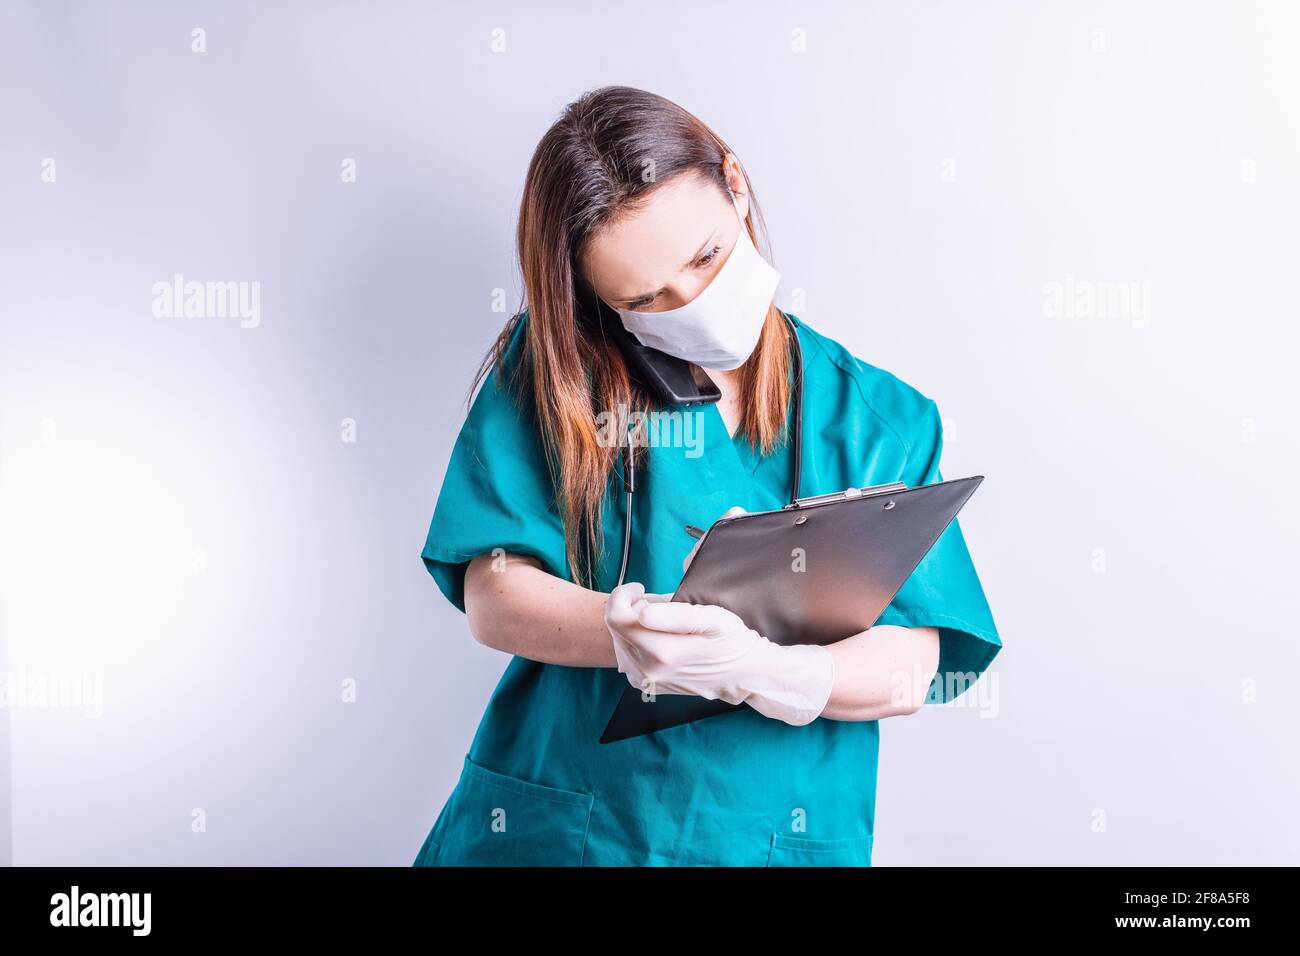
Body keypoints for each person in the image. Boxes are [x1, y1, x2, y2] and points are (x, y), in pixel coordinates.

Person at [412, 86, 1001, 867]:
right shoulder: (558, 371)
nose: (689, 303)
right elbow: (492, 589)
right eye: (645, 297)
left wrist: (769, 670)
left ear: (735, 182)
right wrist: (622, 634)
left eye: (706, 257)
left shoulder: (873, 421)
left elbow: (916, 664)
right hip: (568, 832)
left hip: (773, 835)